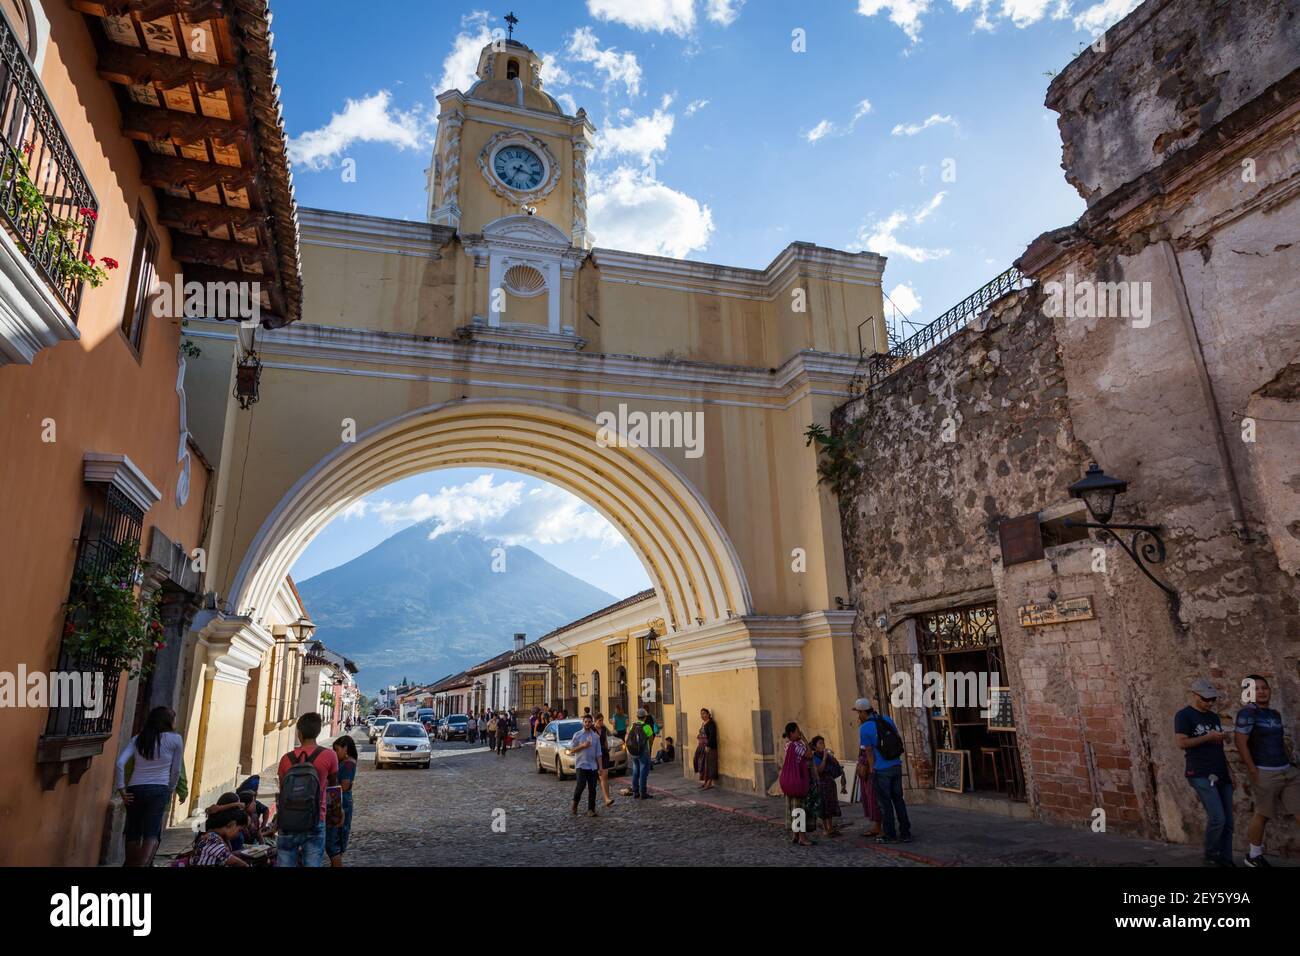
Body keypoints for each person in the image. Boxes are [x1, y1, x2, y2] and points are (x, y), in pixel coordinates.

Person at [1235, 674, 1299, 867]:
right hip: (1264, 771)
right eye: (1256, 689)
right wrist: (1253, 770)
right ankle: (1253, 856)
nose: (1261, 691)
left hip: (1286, 771)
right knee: (1263, 814)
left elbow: (1278, 742)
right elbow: (1240, 742)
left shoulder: (1274, 714)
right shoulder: (1247, 714)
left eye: (1265, 688)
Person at [114, 705, 185, 867]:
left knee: (133, 830)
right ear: (168, 721)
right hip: (159, 788)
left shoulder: (138, 738)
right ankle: (143, 864)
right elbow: (176, 770)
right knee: (151, 832)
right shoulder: (176, 740)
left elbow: (119, 763)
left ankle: (131, 864)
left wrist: (121, 789)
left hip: (134, 788)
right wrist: (171, 788)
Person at [1174, 678, 1234, 866]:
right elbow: (1181, 743)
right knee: (1218, 818)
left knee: (1229, 822)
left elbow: (1219, 748)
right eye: (1205, 699)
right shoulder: (1184, 716)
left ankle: (1225, 859)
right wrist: (1207, 736)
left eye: (1212, 699)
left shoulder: (1214, 717)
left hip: (1220, 771)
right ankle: (1211, 855)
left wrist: (1230, 771)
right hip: (1199, 772)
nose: (1209, 703)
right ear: (1194, 695)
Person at [276, 712, 339, 868]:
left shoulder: (286, 759)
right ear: (318, 732)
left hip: (288, 820)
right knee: (313, 863)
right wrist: (338, 813)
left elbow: (283, 789)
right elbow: (333, 788)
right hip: (316, 817)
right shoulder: (330, 756)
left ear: (299, 733)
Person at [855, 697, 911, 844]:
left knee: (885, 804)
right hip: (896, 765)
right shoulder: (886, 719)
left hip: (881, 769)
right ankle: (905, 833)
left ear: (862, 712)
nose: (858, 715)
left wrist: (872, 771)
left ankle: (890, 834)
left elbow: (869, 753)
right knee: (899, 801)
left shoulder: (864, 728)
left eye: (858, 712)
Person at [779, 722, 814, 847]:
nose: (799, 732)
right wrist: (804, 740)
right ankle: (802, 837)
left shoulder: (787, 745)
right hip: (797, 781)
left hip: (788, 781)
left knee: (792, 808)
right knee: (800, 809)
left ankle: (795, 834)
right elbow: (809, 755)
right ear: (792, 733)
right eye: (798, 730)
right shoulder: (797, 746)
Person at [327, 735, 358, 867]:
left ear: (345, 749)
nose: (335, 753)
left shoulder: (348, 764)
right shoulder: (345, 762)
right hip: (339, 800)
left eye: (337, 750)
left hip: (341, 803)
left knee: (333, 840)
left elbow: (344, 785)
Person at [567, 714, 603, 817]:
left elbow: (599, 754)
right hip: (581, 765)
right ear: (583, 723)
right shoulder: (577, 735)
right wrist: (582, 746)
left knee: (592, 788)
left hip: (592, 766)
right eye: (585, 722)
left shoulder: (595, 737)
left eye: (589, 722)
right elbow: (571, 750)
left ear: (592, 723)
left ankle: (591, 809)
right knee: (580, 786)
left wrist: (600, 767)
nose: (587, 724)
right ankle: (575, 803)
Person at [811, 736, 846, 837]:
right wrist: (825, 758)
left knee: (830, 806)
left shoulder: (826, 756)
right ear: (815, 746)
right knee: (823, 806)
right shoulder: (815, 758)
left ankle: (830, 827)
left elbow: (837, 769)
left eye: (823, 743)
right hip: (821, 785)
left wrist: (833, 759)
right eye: (820, 743)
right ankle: (825, 828)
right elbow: (820, 770)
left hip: (829, 784)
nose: (823, 745)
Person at [627, 708, 655, 799]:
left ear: (637, 717)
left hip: (633, 752)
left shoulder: (633, 726)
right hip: (643, 752)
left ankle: (635, 792)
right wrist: (649, 748)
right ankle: (643, 793)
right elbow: (651, 740)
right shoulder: (647, 727)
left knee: (635, 772)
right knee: (643, 773)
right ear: (645, 717)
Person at [594, 712, 615, 808]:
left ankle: (607, 798)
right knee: (603, 776)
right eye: (599, 721)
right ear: (595, 721)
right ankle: (606, 798)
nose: (601, 722)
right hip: (596, 755)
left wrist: (607, 749)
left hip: (604, 753)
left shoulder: (603, 728)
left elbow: (605, 740)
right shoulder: (592, 730)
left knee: (605, 776)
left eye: (602, 720)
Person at [694, 709, 718, 789]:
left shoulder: (711, 724)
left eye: (704, 713)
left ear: (708, 714)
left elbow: (712, 736)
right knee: (702, 764)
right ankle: (705, 781)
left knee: (709, 765)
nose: (702, 715)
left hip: (709, 747)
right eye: (701, 714)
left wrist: (708, 746)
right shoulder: (703, 723)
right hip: (701, 747)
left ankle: (709, 782)